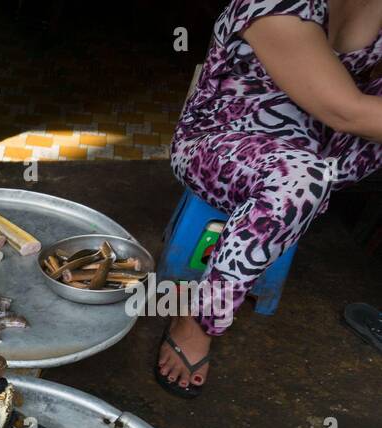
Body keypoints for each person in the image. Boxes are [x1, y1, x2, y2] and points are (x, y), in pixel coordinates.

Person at [161, 0, 382, 396]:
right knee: (302, 180)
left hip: (321, 149)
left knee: (307, 175)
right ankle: (197, 318)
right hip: (222, 144)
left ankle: (295, 208)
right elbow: (345, 110)